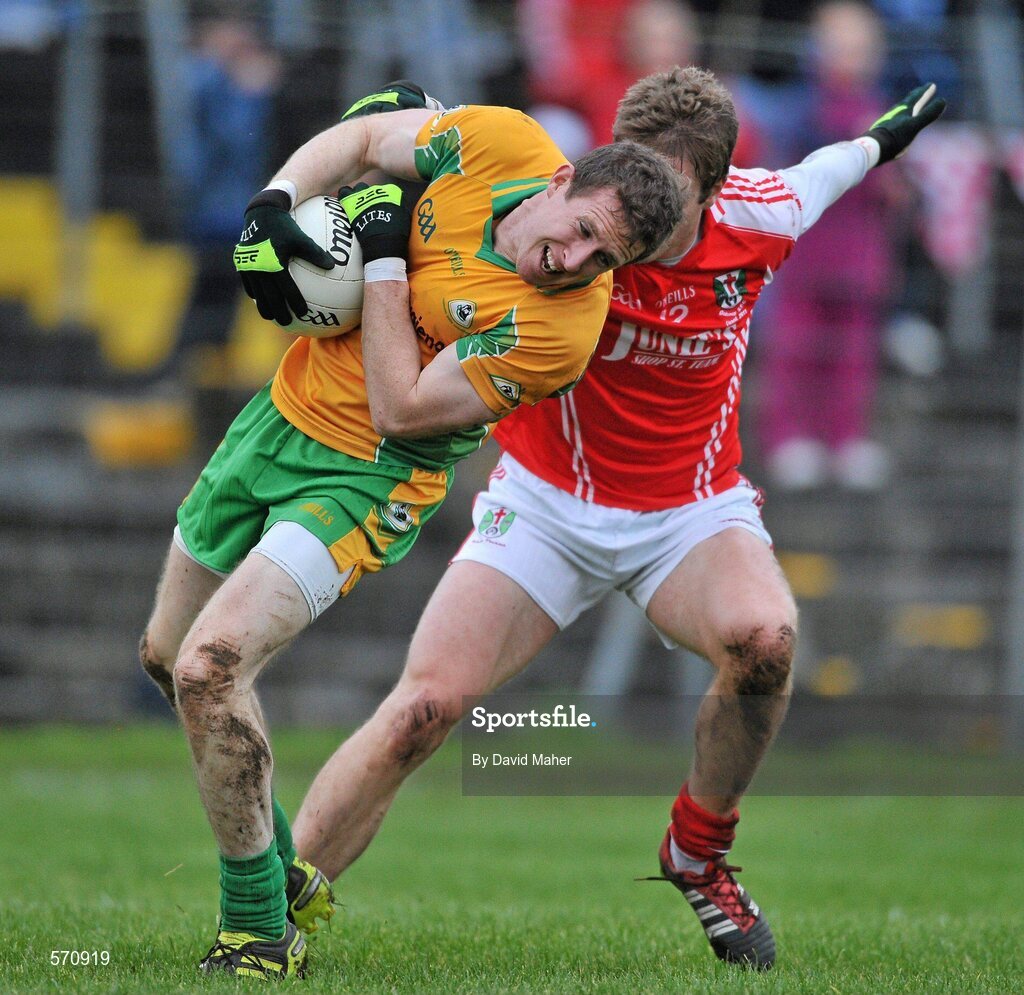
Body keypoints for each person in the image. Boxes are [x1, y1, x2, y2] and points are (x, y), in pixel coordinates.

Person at [288, 69, 946, 970]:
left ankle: (698, 852)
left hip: (689, 513)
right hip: (545, 502)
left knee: (767, 638)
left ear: (713, 191)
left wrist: (883, 138)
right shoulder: (564, 212)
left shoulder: (763, 216)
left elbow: (834, 167)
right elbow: (422, 164)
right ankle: (277, 915)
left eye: (665, 201)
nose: (625, 229)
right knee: (426, 708)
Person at [137, 82, 684, 979]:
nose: (575, 260)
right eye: (582, 228)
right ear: (561, 180)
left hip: (371, 479)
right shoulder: (498, 142)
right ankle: (281, 877)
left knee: (211, 667)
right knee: (165, 658)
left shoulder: (562, 329)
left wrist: (384, 260)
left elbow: (400, 410)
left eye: (602, 258)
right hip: (276, 419)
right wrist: (274, 204)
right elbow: (366, 138)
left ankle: (257, 930)